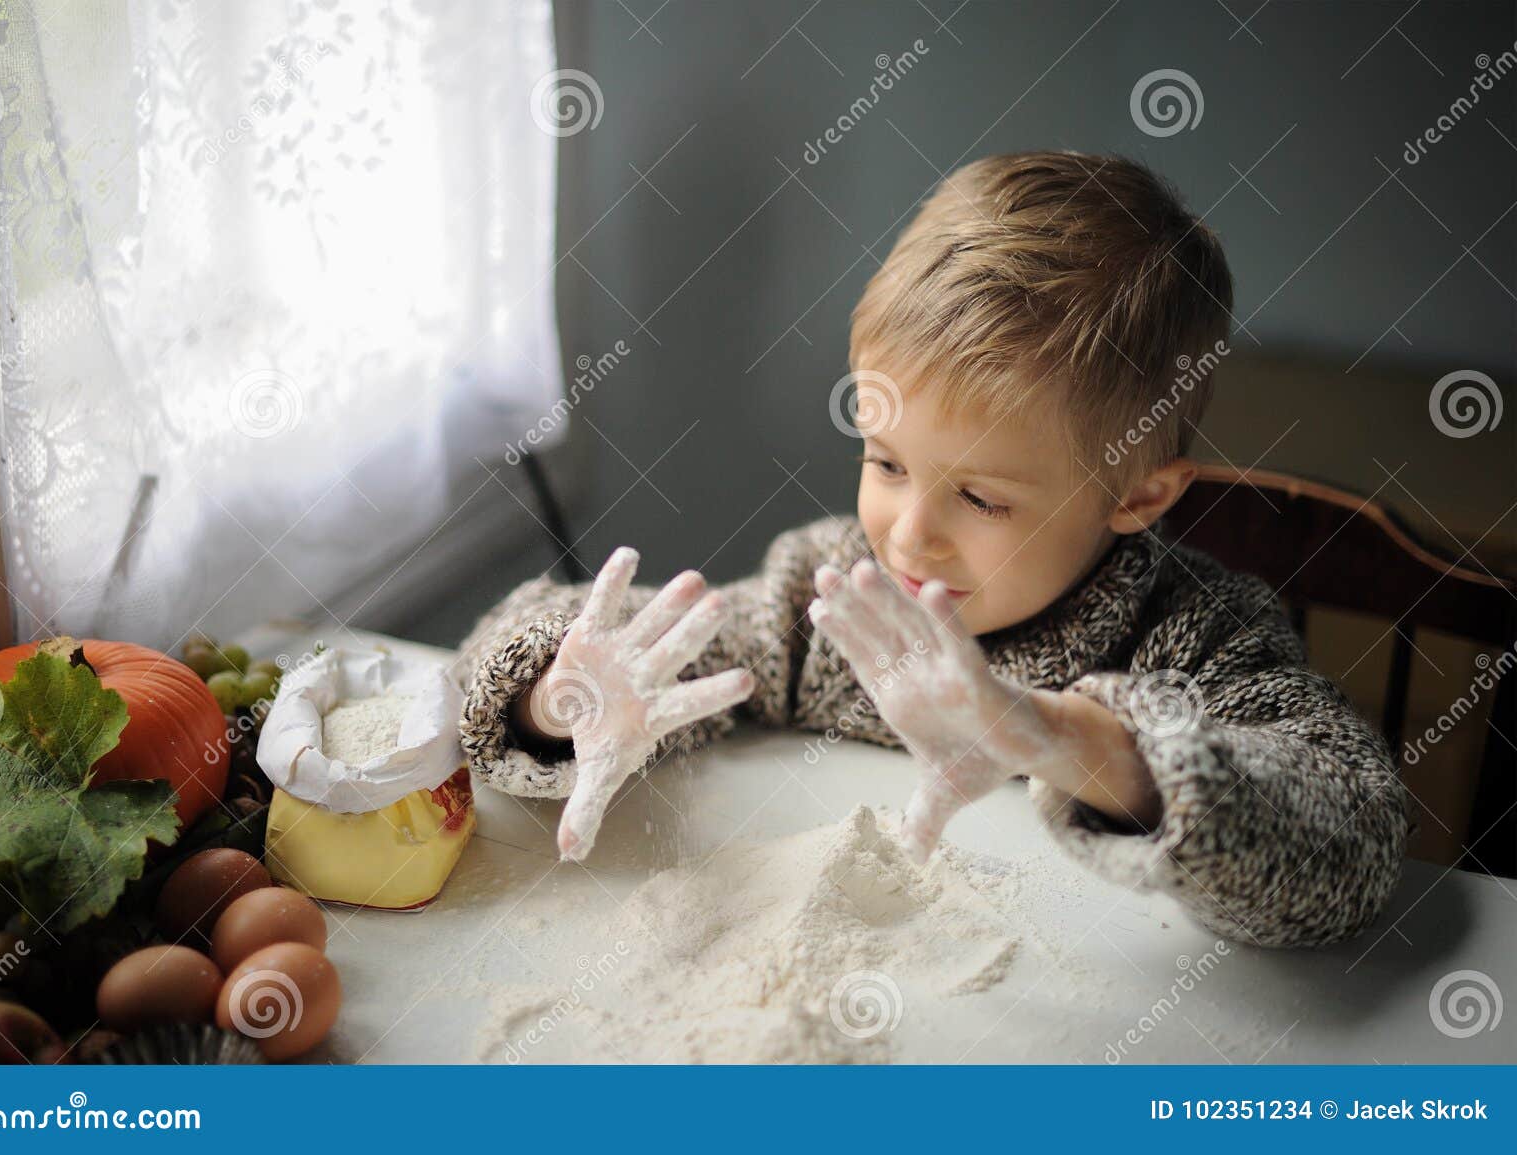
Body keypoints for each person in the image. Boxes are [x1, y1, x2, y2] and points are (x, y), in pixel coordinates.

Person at [450, 150, 1412, 949]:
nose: (908, 534)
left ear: (1137, 496)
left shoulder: (1199, 639)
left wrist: (1062, 740)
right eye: (887, 462)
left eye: (982, 497)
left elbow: (1353, 844)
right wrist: (559, 697)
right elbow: (529, 666)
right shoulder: (828, 601)